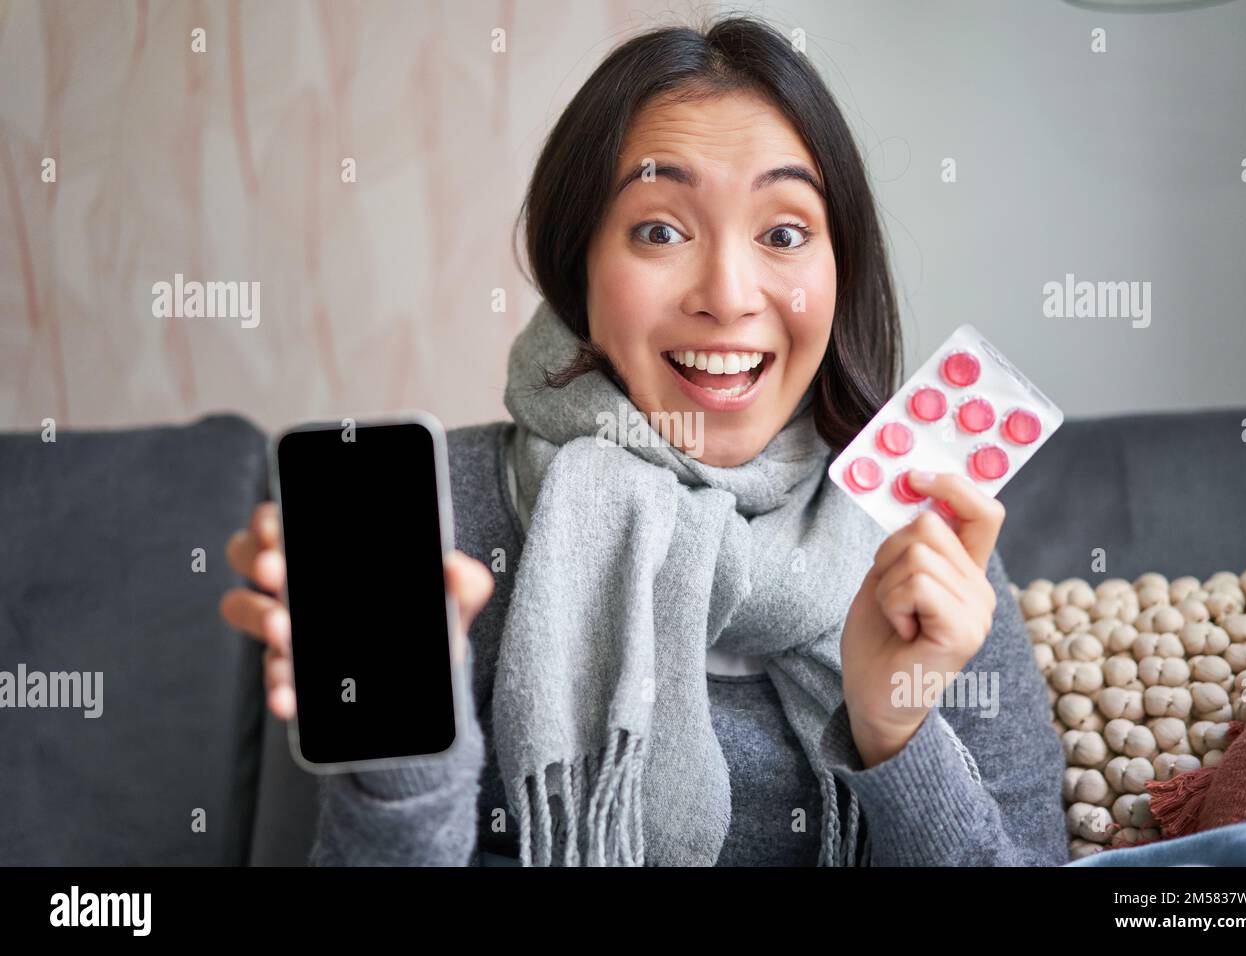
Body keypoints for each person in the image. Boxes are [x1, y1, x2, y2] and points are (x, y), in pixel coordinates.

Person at [219, 14, 1069, 867]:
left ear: (839, 270)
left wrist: (897, 729)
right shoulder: (442, 520)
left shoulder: (918, 540)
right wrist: (405, 754)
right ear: (576, 265)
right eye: (661, 230)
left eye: (784, 233)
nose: (729, 295)